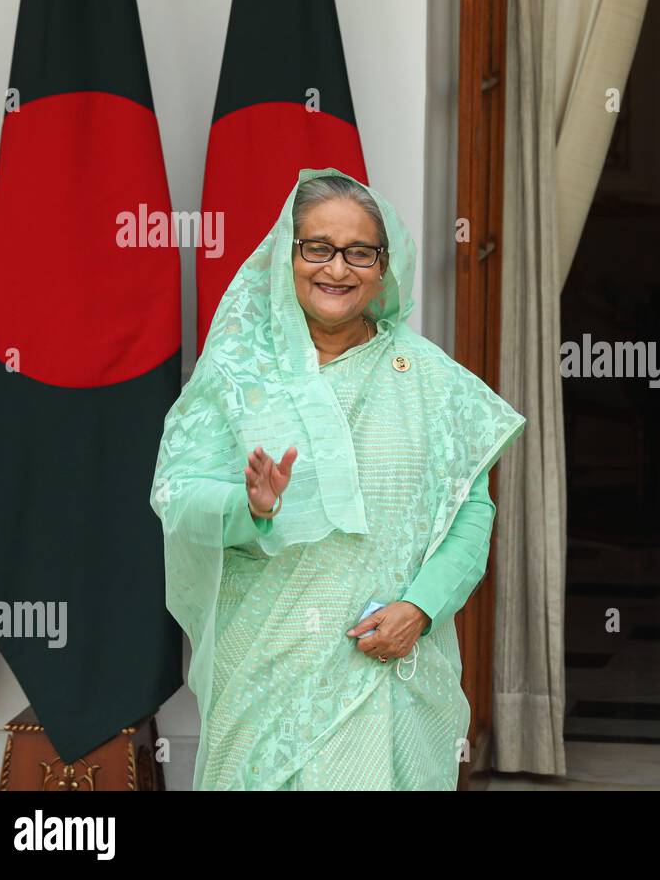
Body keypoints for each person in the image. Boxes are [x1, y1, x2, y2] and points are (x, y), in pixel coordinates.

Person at [150, 168, 525, 790]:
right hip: (269, 670)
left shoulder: (427, 376)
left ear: (384, 267)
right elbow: (177, 497)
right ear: (286, 257)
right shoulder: (238, 375)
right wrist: (251, 506)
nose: (336, 269)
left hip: (390, 663)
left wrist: (421, 608)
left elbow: (471, 512)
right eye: (317, 248)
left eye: (359, 252)